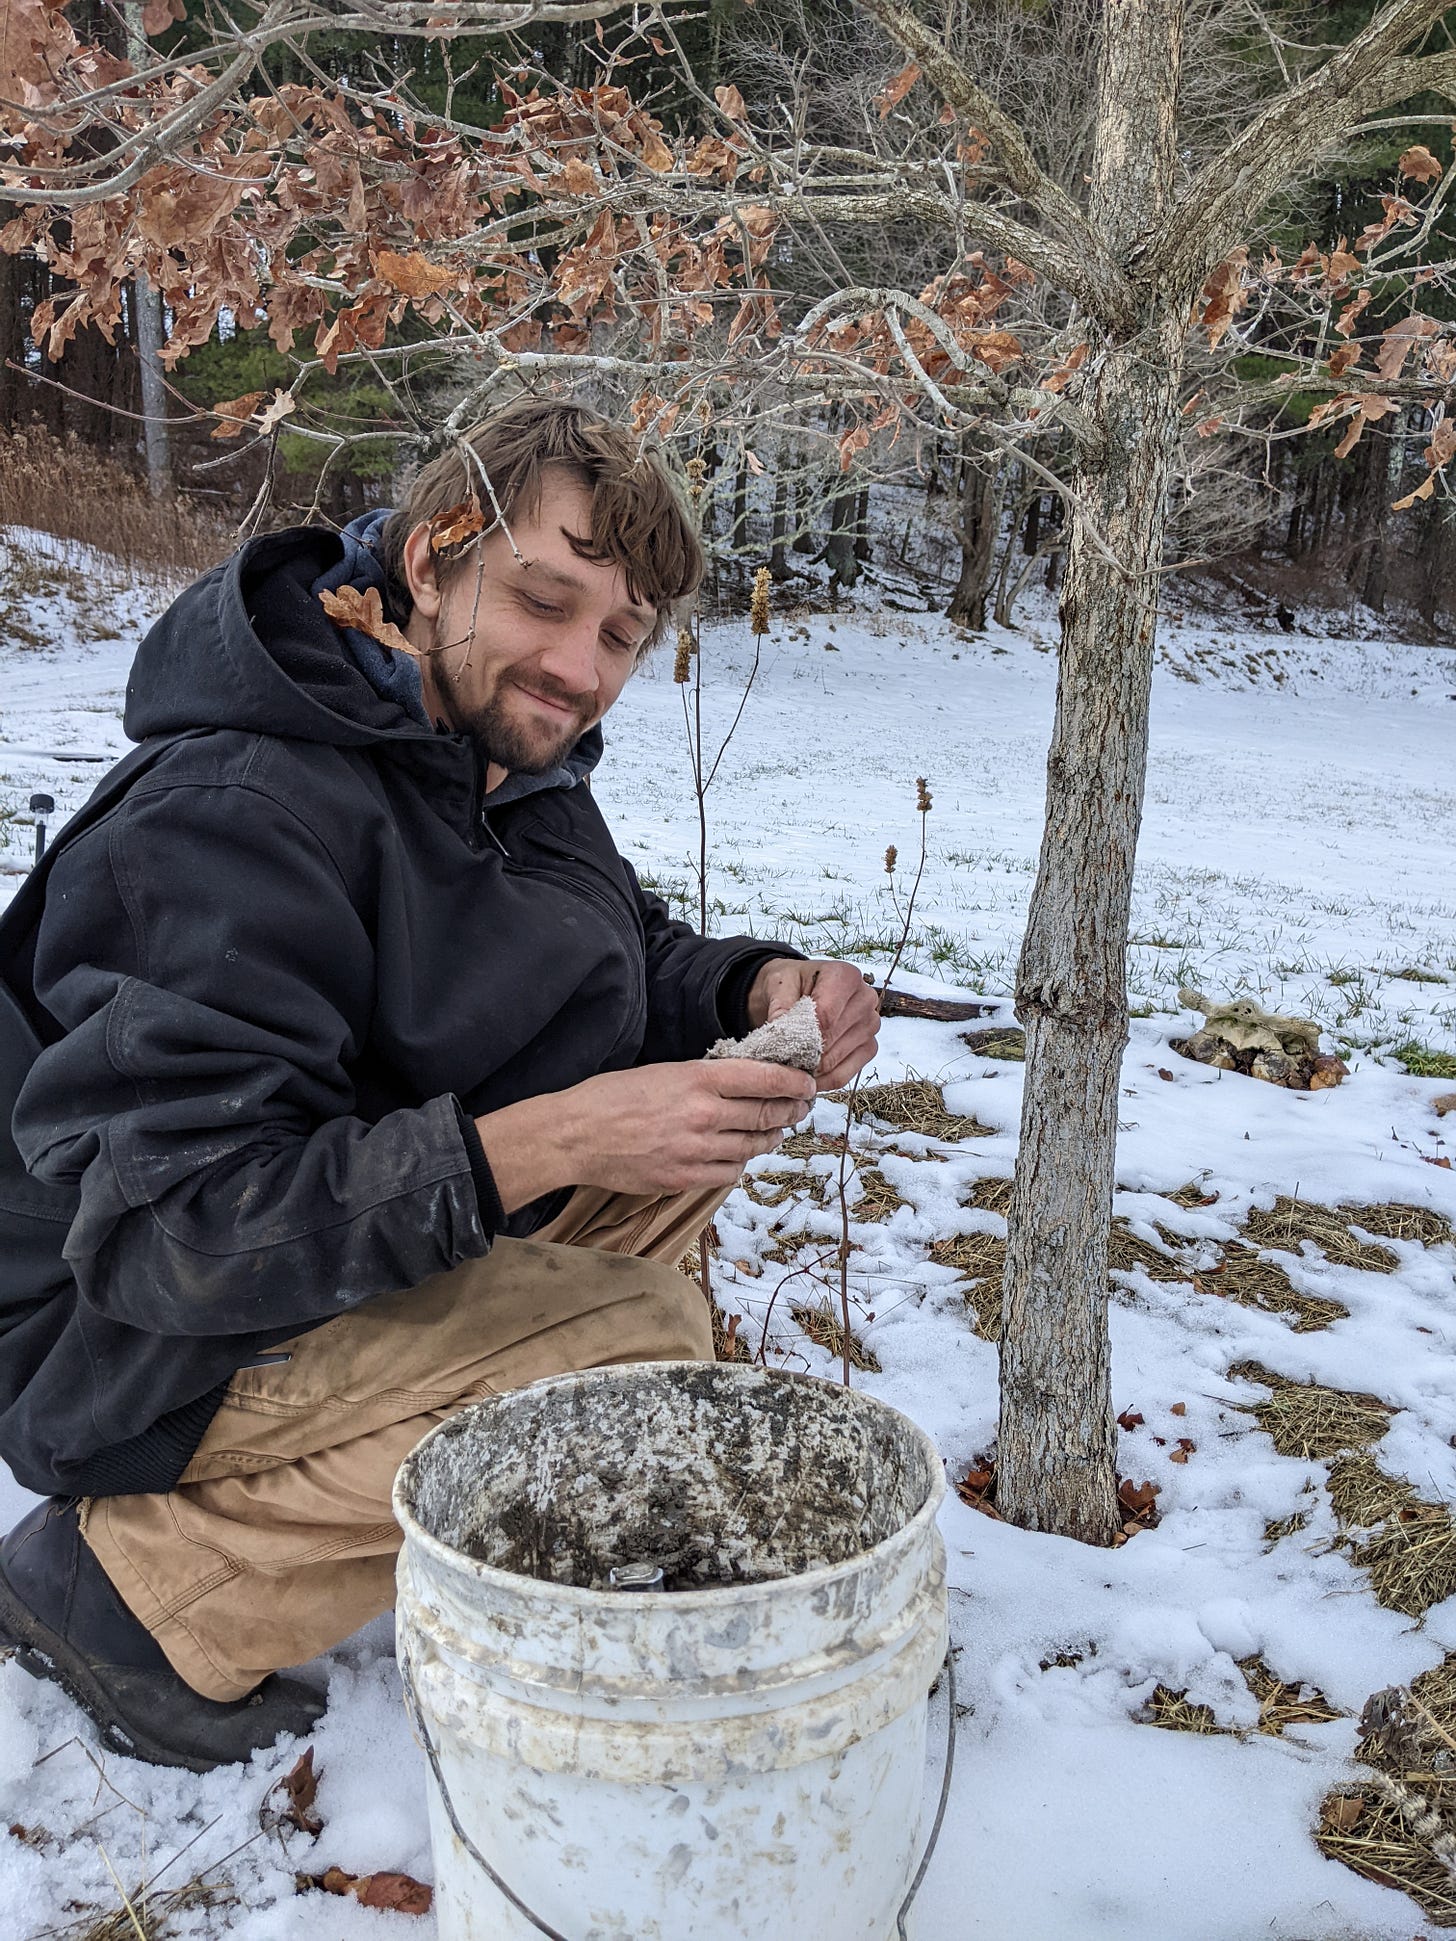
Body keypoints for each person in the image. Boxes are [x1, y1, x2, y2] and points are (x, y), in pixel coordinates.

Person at [0, 400, 880, 1772]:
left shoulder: (494, 748)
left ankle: (354, 1466)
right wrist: (547, 1138)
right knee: (632, 1342)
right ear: (430, 559)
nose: (578, 669)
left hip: (315, 1232)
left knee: (690, 1135)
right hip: (117, 1336)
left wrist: (750, 992)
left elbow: (610, 950)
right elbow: (175, 1233)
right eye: (546, 600)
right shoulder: (236, 804)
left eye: (620, 639)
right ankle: (132, 1590)